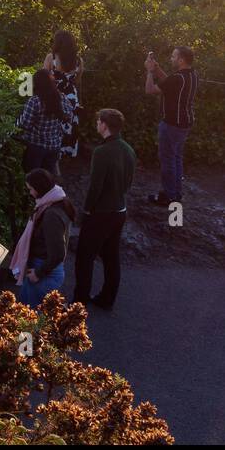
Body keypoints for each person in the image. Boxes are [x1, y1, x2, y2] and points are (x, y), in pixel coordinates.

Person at [73, 108, 136, 310]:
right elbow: (128, 182)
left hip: (100, 213)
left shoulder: (101, 152)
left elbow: (95, 186)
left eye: (98, 121)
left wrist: (86, 210)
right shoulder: (128, 149)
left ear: (104, 125)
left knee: (84, 257)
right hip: (119, 210)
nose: (97, 124)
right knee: (111, 257)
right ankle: (107, 298)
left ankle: (79, 302)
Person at [10, 168, 75, 308]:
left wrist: (38, 273)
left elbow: (58, 253)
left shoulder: (51, 215)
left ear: (40, 188)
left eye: (31, 189)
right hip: (44, 270)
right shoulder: (56, 200)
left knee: (28, 318)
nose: (30, 193)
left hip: (43, 273)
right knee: (25, 314)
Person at [145, 46, 198, 205]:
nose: (171, 58)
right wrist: (157, 68)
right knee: (176, 158)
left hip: (172, 124)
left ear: (181, 60)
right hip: (185, 123)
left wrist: (149, 71)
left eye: (174, 56)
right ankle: (176, 193)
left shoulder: (177, 78)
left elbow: (150, 90)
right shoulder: (192, 74)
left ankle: (169, 196)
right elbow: (169, 83)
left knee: (168, 160)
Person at [44, 30, 83, 166]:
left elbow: (44, 78)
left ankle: (54, 163)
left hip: (55, 95)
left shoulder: (51, 58)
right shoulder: (78, 61)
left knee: (53, 126)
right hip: (71, 97)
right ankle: (63, 157)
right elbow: (77, 80)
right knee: (67, 125)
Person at [18, 68, 66, 173]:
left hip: (36, 146)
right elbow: (69, 114)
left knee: (33, 177)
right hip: (54, 145)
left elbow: (25, 124)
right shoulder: (60, 97)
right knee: (47, 177)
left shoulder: (35, 101)